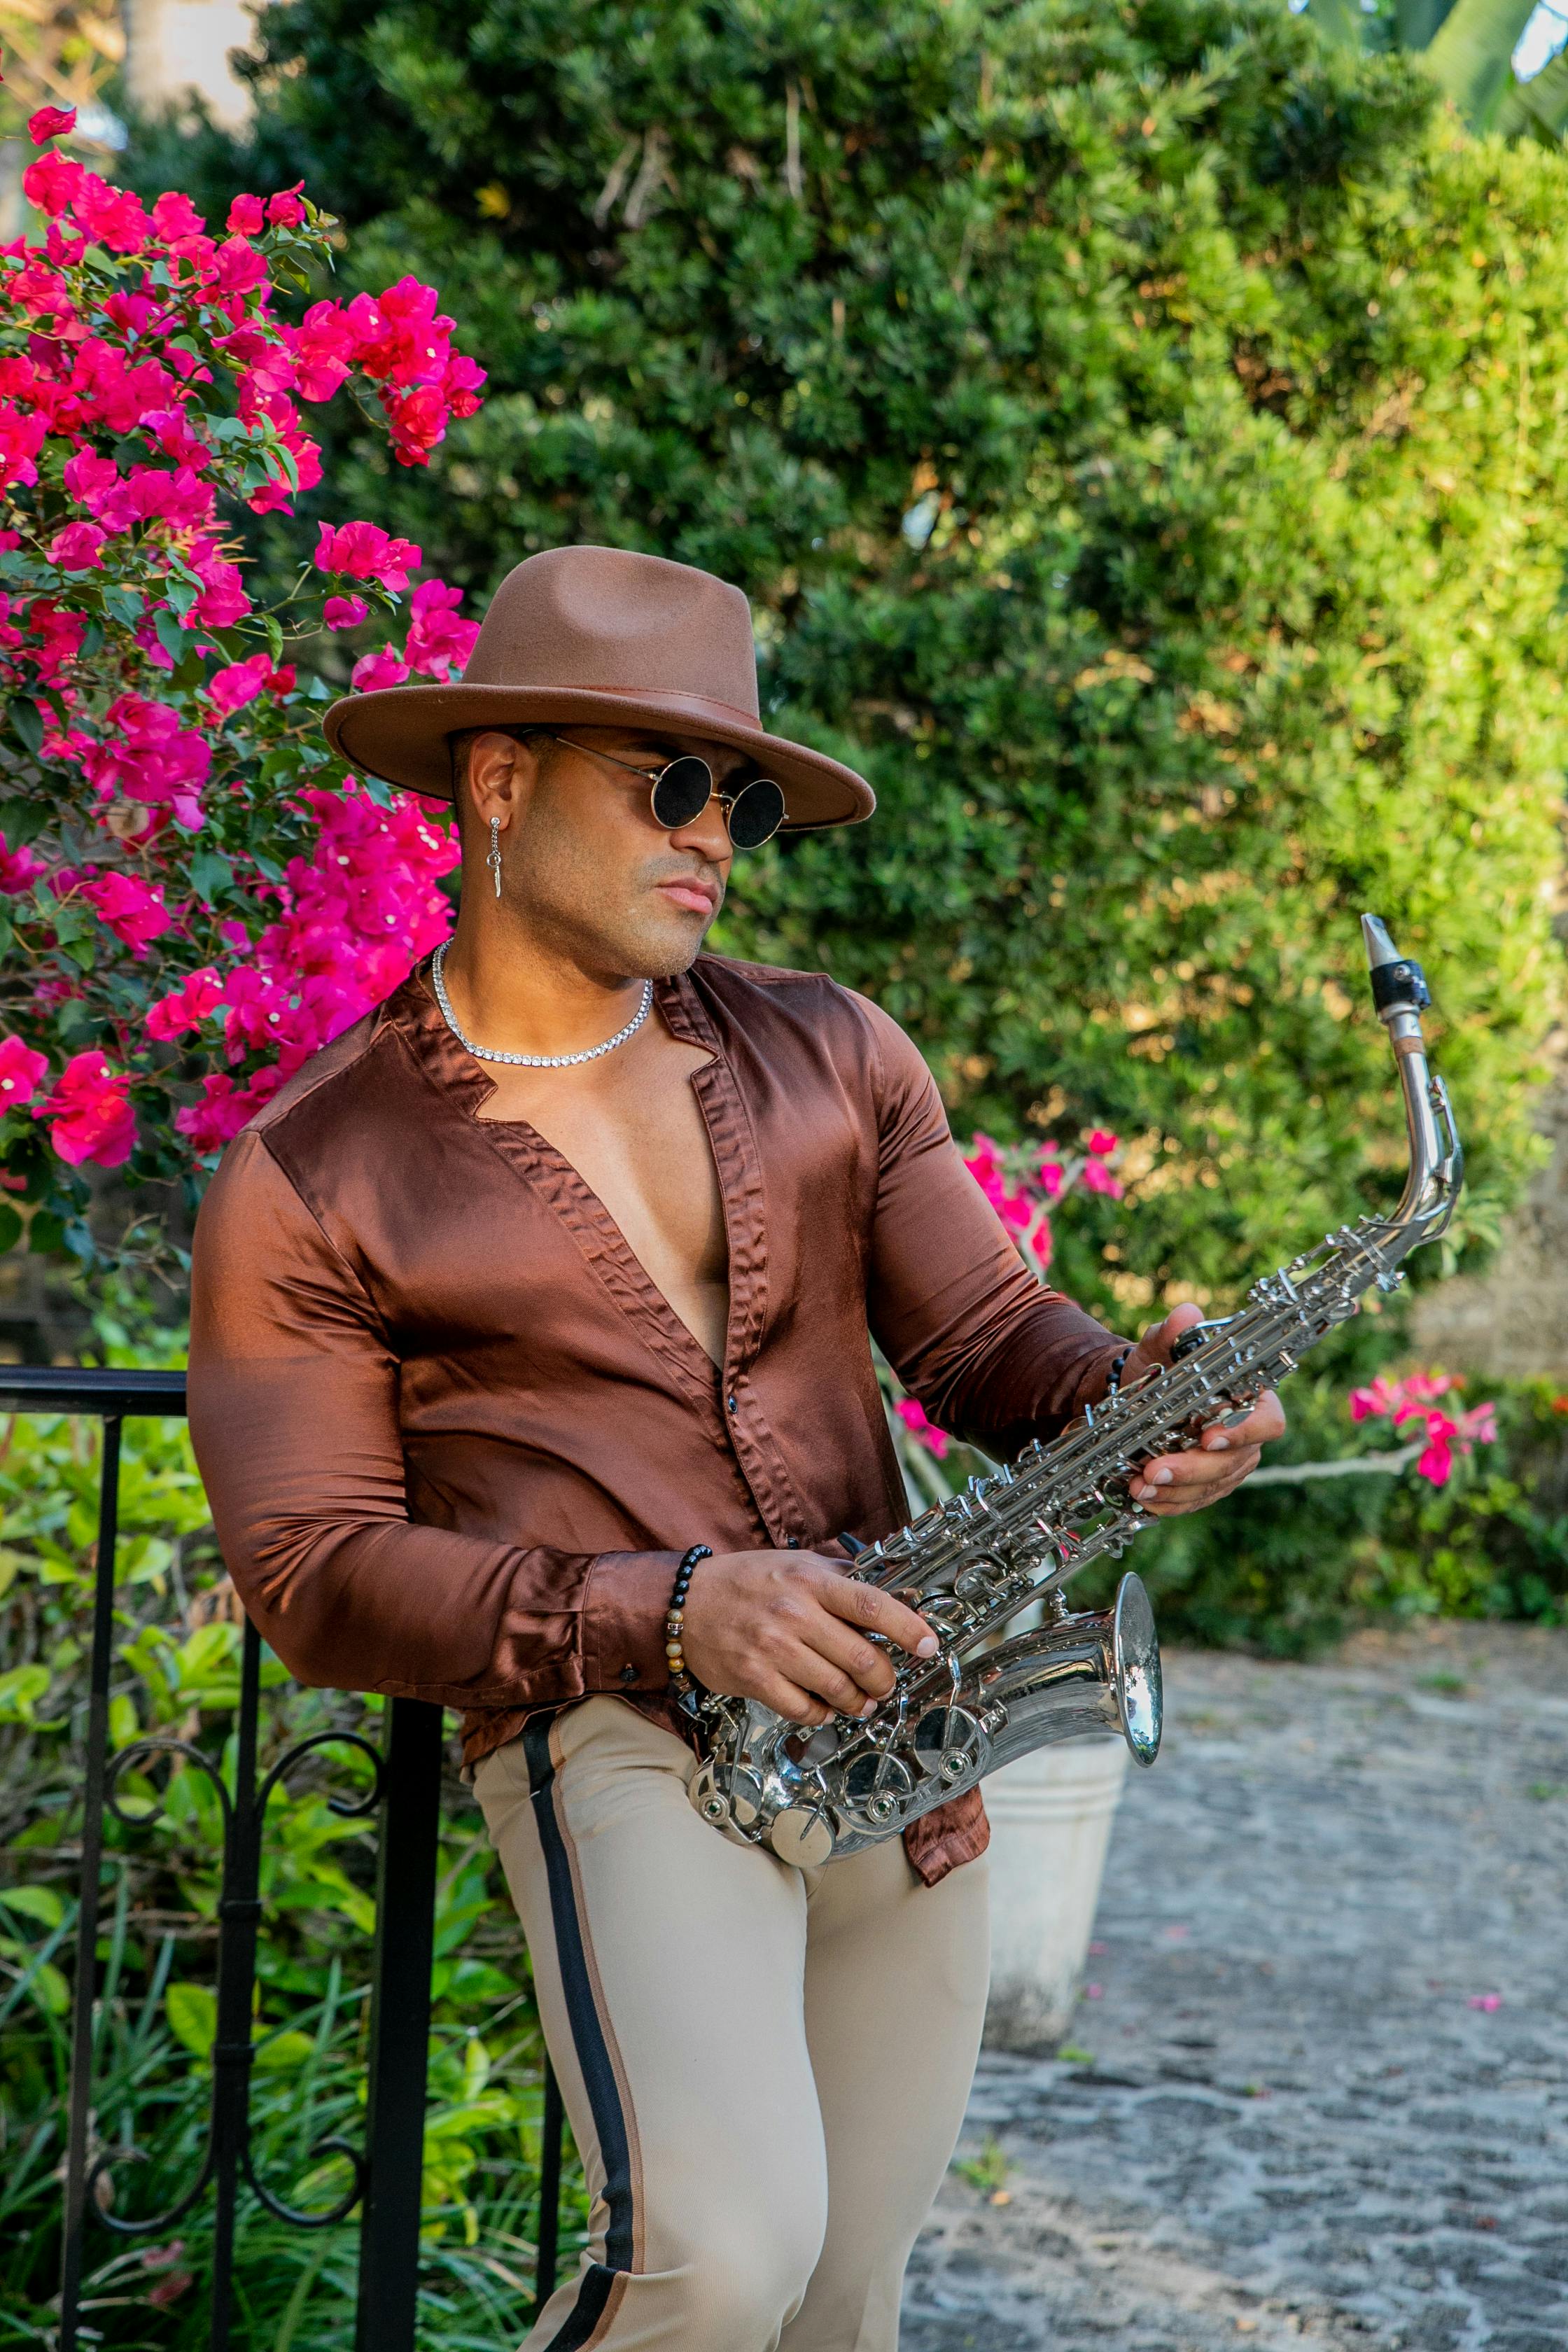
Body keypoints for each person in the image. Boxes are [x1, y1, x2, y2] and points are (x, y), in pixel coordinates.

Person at [187, 545, 1284, 2352]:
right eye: (671, 782)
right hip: (619, 1735)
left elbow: (998, 1342)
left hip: (897, 1728)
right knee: (717, 2254)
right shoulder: (317, 1167)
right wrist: (673, 1610)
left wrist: (1138, 1399)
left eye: (744, 795)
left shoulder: (836, 1052)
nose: (718, 833)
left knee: (842, 2305)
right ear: (501, 782)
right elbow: (311, 1576)